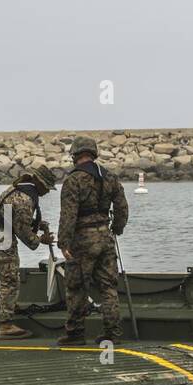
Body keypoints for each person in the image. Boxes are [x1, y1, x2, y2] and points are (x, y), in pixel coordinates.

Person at [56, 135, 129, 346]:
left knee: (77, 287)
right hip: (105, 237)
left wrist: (63, 243)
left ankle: (76, 333)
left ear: (75, 155)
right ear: (93, 153)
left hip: (82, 239)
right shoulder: (110, 177)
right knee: (108, 287)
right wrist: (117, 228)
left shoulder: (73, 180)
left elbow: (68, 215)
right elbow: (122, 208)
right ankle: (113, 333)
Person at [0, 164, 56, 338]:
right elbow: (25, 234)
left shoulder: (16, 189)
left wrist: (37, 225)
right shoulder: (25, 200)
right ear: (39, 183)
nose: (48, 192)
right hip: (2, 239)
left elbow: (14, 218)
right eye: (47, 188)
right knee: (11, 278)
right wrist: (41, 239)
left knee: (6, 272)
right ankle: (6, 324)